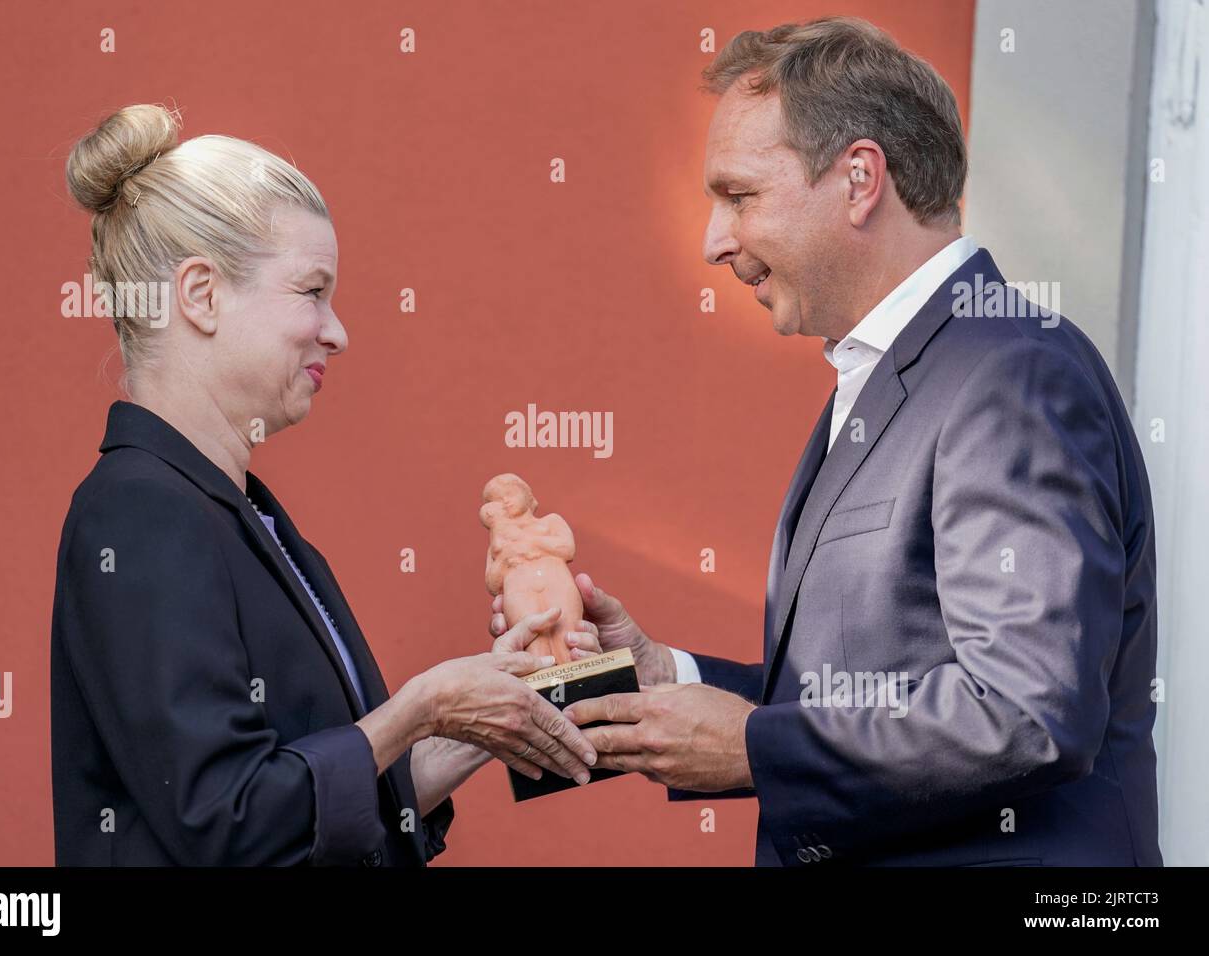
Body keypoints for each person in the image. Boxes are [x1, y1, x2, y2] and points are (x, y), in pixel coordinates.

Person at [494, 17, 1162, 867]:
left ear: (858, 179)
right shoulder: (898, 372)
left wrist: (753, 749)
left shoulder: (1010, 372)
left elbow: (1026, 711)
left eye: (739, 196)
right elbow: (862, 696)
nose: (714, 242)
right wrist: (667, 677)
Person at [51, 103, 601, 866]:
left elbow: (305, 811)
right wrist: (416, 711)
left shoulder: (239, 514)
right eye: (312, 291)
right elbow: (228, 823)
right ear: (201, 295)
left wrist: (484, 720)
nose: (337, 331)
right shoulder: (142, 509)